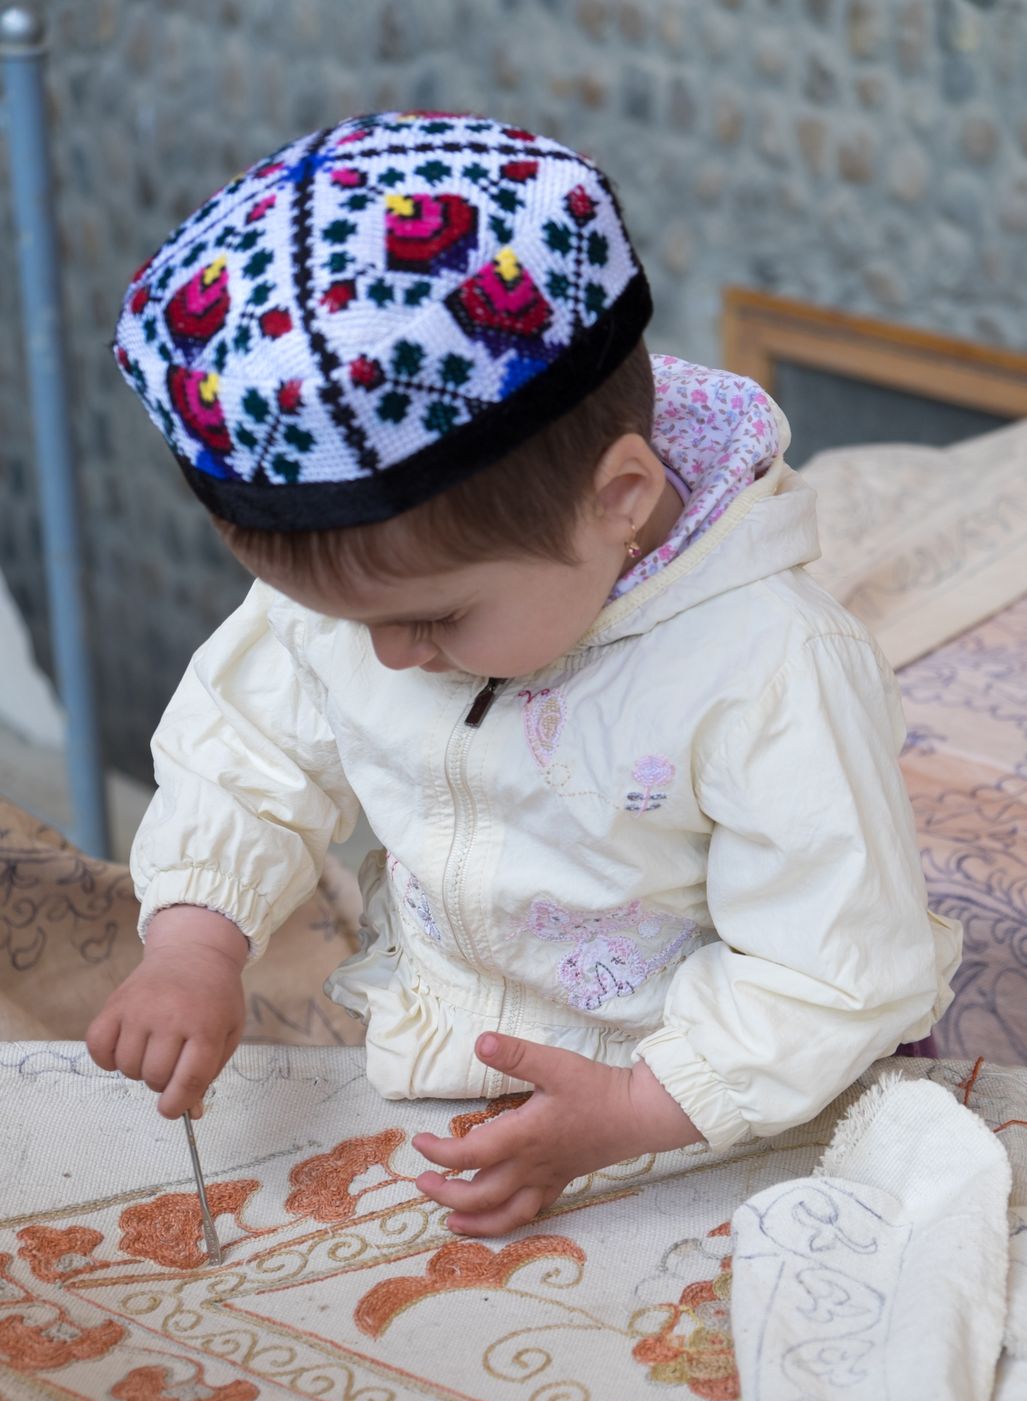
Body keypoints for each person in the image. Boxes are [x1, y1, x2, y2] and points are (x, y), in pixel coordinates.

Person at [87, 111, 961, 1237]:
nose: (389, 657)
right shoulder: (377, 598)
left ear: (621, 500)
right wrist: (195, 940)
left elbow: (835, 966)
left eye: (435, 619)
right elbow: (244, 747)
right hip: (447, 1066)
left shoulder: (769, 664)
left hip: (722, 1110)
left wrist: (639, 1108)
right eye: (345, 623)